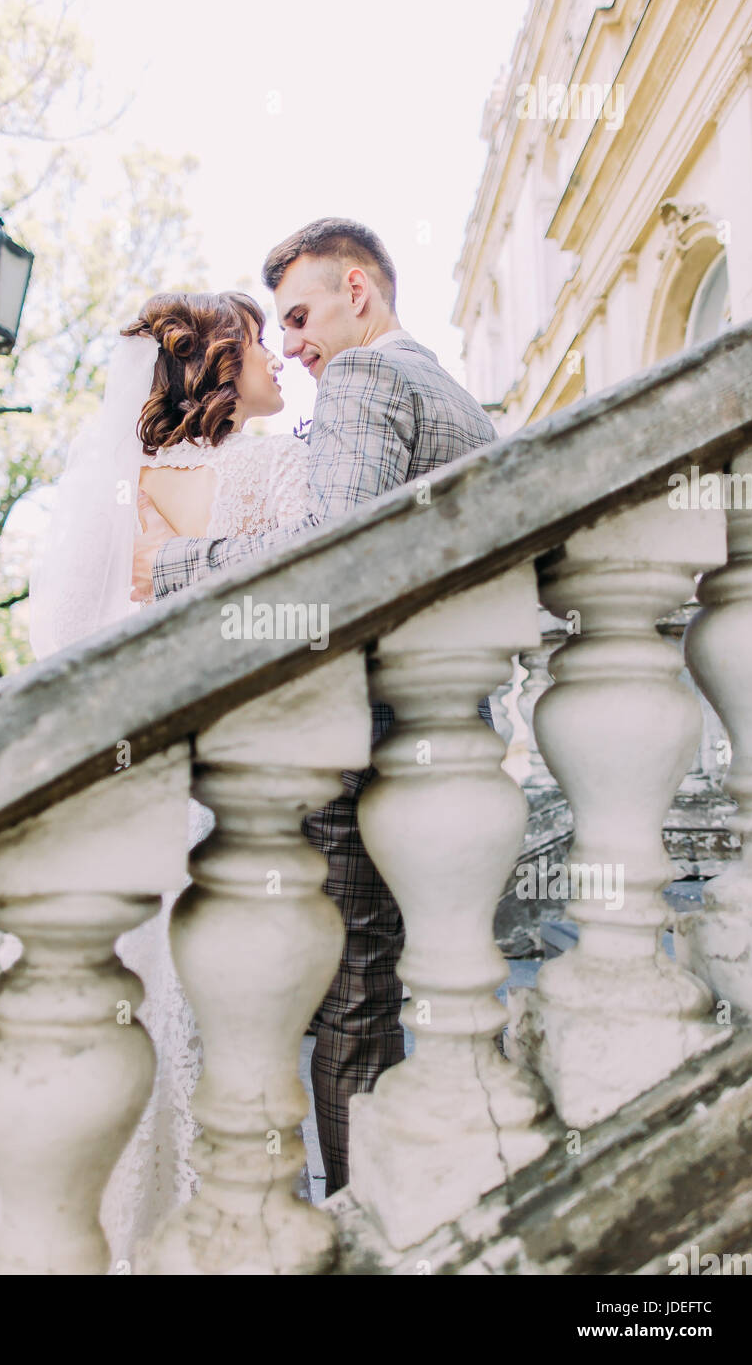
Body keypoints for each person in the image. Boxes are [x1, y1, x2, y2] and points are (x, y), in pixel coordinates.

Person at [131, 218, 498, 1194]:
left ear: (358, 291)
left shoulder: (366, 379)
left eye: (298, 316)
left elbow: (329, 554)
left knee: (350, 999)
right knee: (430, 986)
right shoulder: (457, 395)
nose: (291, 343)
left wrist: (176, 567)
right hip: (454, 739)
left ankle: (355, 1218)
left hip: (362, 733)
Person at [28, 289, 310, 1262]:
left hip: (119, 786)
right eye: (261, 343)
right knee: (224, 1013)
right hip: (222, 778)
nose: (278, 358)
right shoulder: (271, 467)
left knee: (126, 1007)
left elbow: (63, 640)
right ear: (223, 364)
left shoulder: (117, 484)